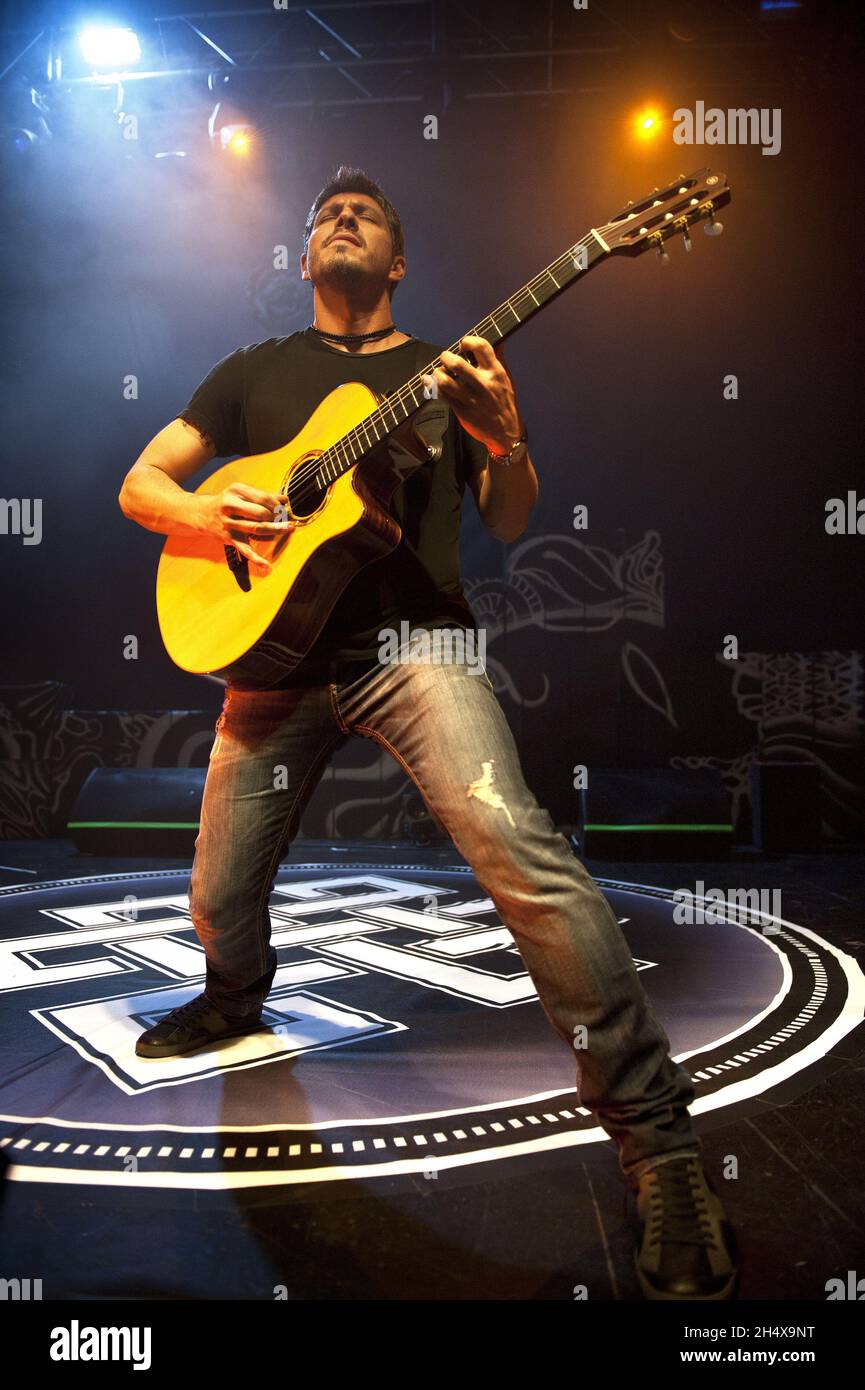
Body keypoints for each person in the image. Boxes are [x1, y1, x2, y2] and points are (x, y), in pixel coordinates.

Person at [118, 165, 738, 1300]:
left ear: (396, 264)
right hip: (268, 662)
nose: (341, 218)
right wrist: (207, 508)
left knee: (522, 855)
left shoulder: (445, 371)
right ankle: (233, 993)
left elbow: (508, 520)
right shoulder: (251, 374)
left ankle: (661, 1145)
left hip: (418, 647)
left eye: (367, 216)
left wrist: (506, 440)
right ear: (305, 259)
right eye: (324, 217)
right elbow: (142, 483)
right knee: (214, 896)